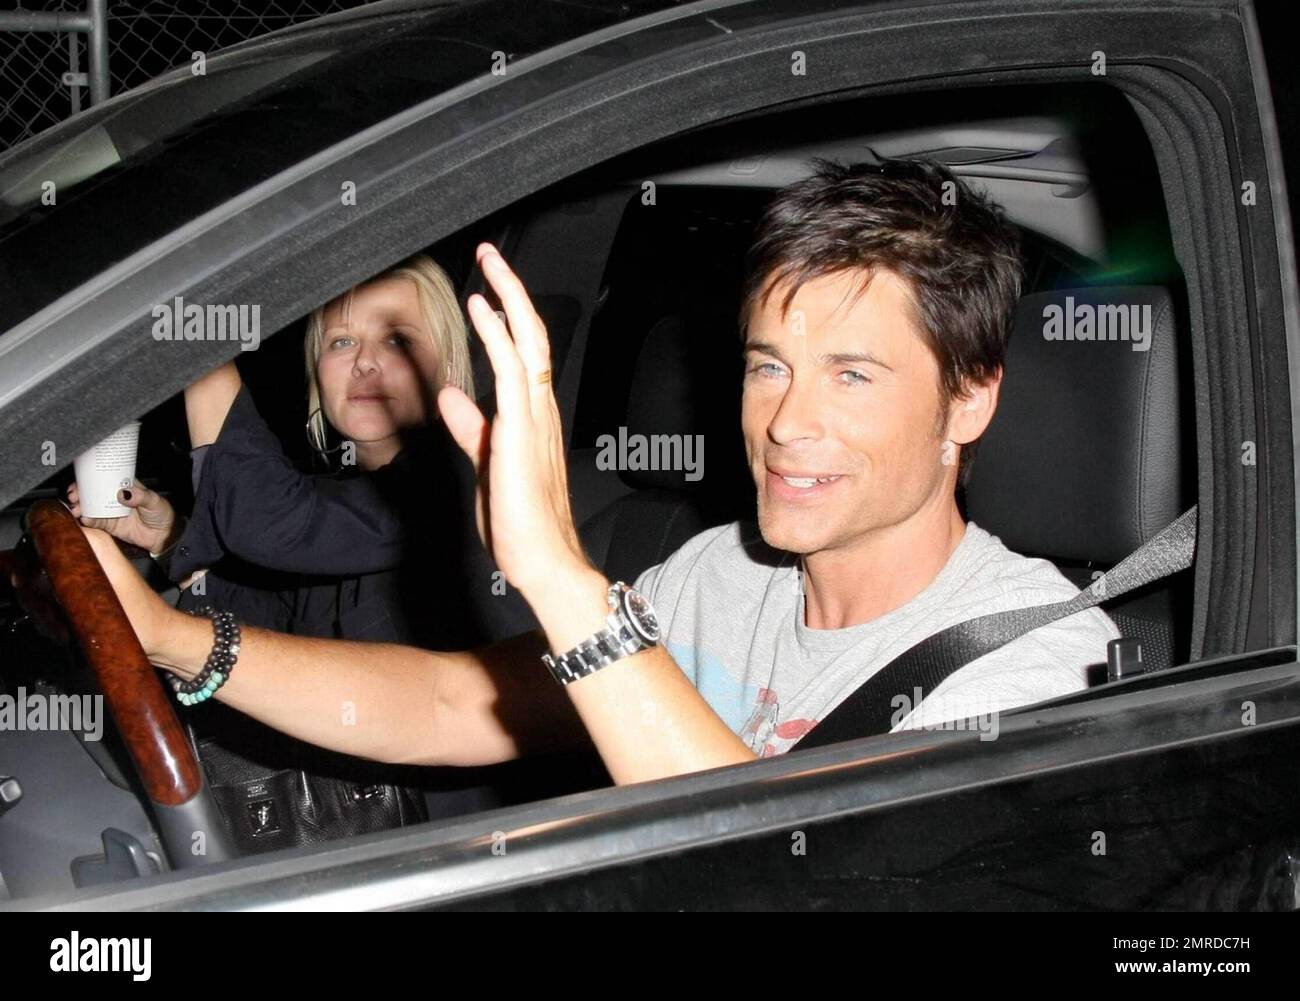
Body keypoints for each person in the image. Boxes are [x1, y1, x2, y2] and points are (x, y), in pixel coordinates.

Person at [83, 158, 1120, 787]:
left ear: (969, 398)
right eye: (768, 365)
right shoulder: (722, 573)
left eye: (851, 373)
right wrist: (174, 640)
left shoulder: (1045, 665)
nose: (786, 421)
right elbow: (455, 705)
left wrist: (564, 581)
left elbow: (786, 882)